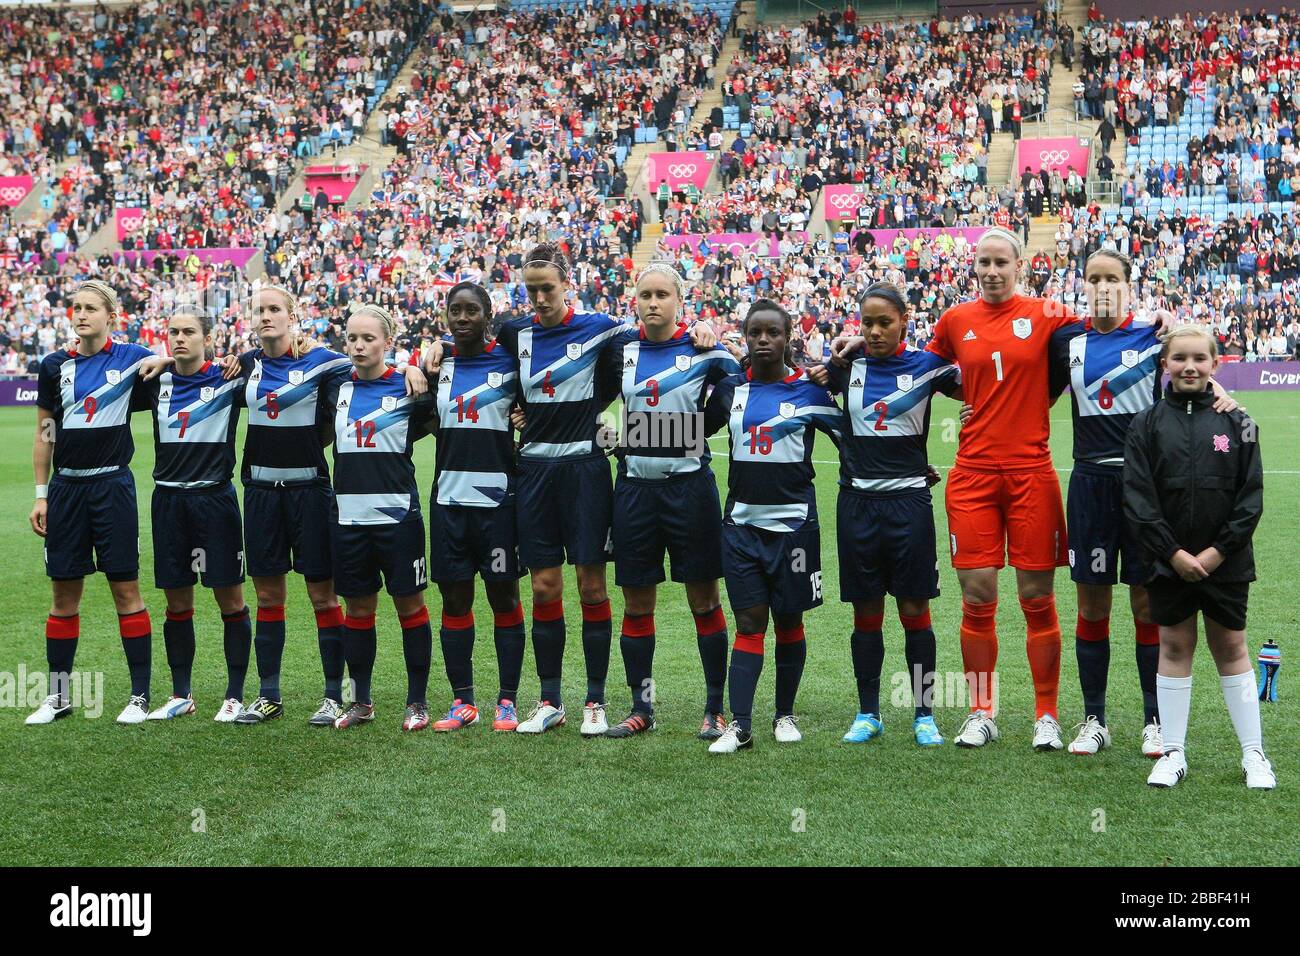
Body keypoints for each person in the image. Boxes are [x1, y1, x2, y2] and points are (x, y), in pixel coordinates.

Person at [422, 244, 712, 736]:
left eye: (547, 289)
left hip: (586, 471)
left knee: (592, 585)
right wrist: (434, 350)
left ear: (566, 286)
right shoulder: (516, 332)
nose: (538, 298)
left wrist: (701, 328)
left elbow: (658, 335)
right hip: (532, 472)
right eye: (530, 289)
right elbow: (475, 349)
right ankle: (550, 698)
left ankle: (595, 701)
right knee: (542, 585)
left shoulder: (602, 328)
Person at [838, 228, 1078, 749]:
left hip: (1031, 472)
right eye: (983, 263)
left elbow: (1104, 330)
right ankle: (981, 710)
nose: (991, 272)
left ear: (1020, 265)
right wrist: (862, 342)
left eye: (1001, 262)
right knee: (978, 596)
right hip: (971, 475)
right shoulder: (955, 321)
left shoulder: (1047, 313)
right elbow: (913, 367)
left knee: (1037, 596)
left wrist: (1161, 324)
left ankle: (1046, 715)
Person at [1042, 252, 1237, 757]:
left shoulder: (1153, 337)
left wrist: (1226, 398)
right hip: (1090, 485)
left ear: (1129, 285)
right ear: (1083, 285)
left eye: (1112, 278)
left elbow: (1194, 369)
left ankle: (1153, 720)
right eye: (1094, 279)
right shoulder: (1067, 341)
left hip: (1147, 487)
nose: (1103, 286)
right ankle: (1094, 718)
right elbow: (1034, 395)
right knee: (1092, 603)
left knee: (1147, 603)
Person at [221, 286, 425, 726]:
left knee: (323, 595)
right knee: (268, 595)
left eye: (275, 309)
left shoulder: (329, 364)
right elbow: (195, 372)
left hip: (311, 493)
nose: (267, 316)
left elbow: (371, 361)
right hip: (259, 493)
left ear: (294, 314)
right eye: (259, 310)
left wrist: (411, 364)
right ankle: (268, 693)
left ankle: (335, 695)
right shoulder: (248, 364)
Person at [1123, 325, 1275, 790]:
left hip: (1225, 561)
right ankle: (1173, 753)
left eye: (1199, 359)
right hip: (1168, 562)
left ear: (1215, 363)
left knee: (1232, 648)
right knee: (1173, 646)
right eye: (1179, 358)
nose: (1189, 366)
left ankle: (1254, 754)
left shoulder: (1240, 422)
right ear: (1165, 364)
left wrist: (1214, 553)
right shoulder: (1145, 424)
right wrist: (1172, 552)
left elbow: (1250, 498)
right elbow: (1138, 497)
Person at [596, 263, 741, 740]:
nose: (653, 302)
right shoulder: (619, 347)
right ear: (634, 301)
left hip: (689, 490)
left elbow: (736, 386)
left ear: (680, 300)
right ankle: (642, 707)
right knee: (637, 603)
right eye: (645, 295)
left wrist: (688, 434)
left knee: (704, 600)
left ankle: (714, 708)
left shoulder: (703, 349)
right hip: (634, 491)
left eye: (662, 294)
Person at [824, 283, 960, 748]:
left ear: (905, 319)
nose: (876, 331)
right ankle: (868, 712)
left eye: (885, 322)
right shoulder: (846, 367)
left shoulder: (927, 366)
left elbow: (981, 379)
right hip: (857, 504)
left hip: (909, 505)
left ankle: (924, 714)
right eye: (868, 323)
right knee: (866, 613)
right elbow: (781, 374)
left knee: (914, 610)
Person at [702, 300, 842, 754]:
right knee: (748, 619)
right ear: (744, 337)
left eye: (773, 333)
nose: (764, 340)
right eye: (755, 333)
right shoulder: (729, 390)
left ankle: (784, 714)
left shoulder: (811, 392)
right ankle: (740, 725)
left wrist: (912, 466)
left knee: (788, 618)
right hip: (741, 526)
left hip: (795, 528)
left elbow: (853, 438)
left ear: (788, 339)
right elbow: (691, 430)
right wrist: (615, 437)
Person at [27, 281, 168, 726]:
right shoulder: (54, 366)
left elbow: (174, 365)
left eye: (91, 308)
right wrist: (41, 494)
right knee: (63, 594)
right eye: (76, 307)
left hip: (112, 487)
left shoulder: (132, 358)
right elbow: (44, 434)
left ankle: (140, 695)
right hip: (67, 491)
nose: (80, 314)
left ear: (112, 316)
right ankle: (59, 695)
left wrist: (163, 357)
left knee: (125, 588)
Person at [320, 305, 437, 730]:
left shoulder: (413, 388)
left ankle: (417, 702)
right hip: (348, 519)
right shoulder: (334, 386)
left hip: (399, 518)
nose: (358, 345)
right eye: (352, 338)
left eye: (369, 338)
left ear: (387, 342)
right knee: (358, 609)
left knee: (410, 606)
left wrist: (413, 365)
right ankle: (361, 701)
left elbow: (442, 422)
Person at [139, 304, 251, 722]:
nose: (180, 338)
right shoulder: (154, 381)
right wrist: (163, 359)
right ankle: (181, 693)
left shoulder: (228, 379)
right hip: (168, 502)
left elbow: (270, 360)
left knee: (230, 598)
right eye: (173, 332)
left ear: (208, 339)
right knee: (176, 600)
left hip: (215, 501)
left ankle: (235, 694)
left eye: (188, 332)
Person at [427, 282, 527, 733]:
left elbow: (538, 402)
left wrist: (525, 416)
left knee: (503, 594)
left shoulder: (509, 363)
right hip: (449, 500)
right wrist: (419, 366)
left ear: (489, 316)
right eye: (455, 311)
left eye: (472, 310)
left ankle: (507, 700)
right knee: (455, 596)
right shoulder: (436, 365)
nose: (462, 317)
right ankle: (462, 701)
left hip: (498, 503)